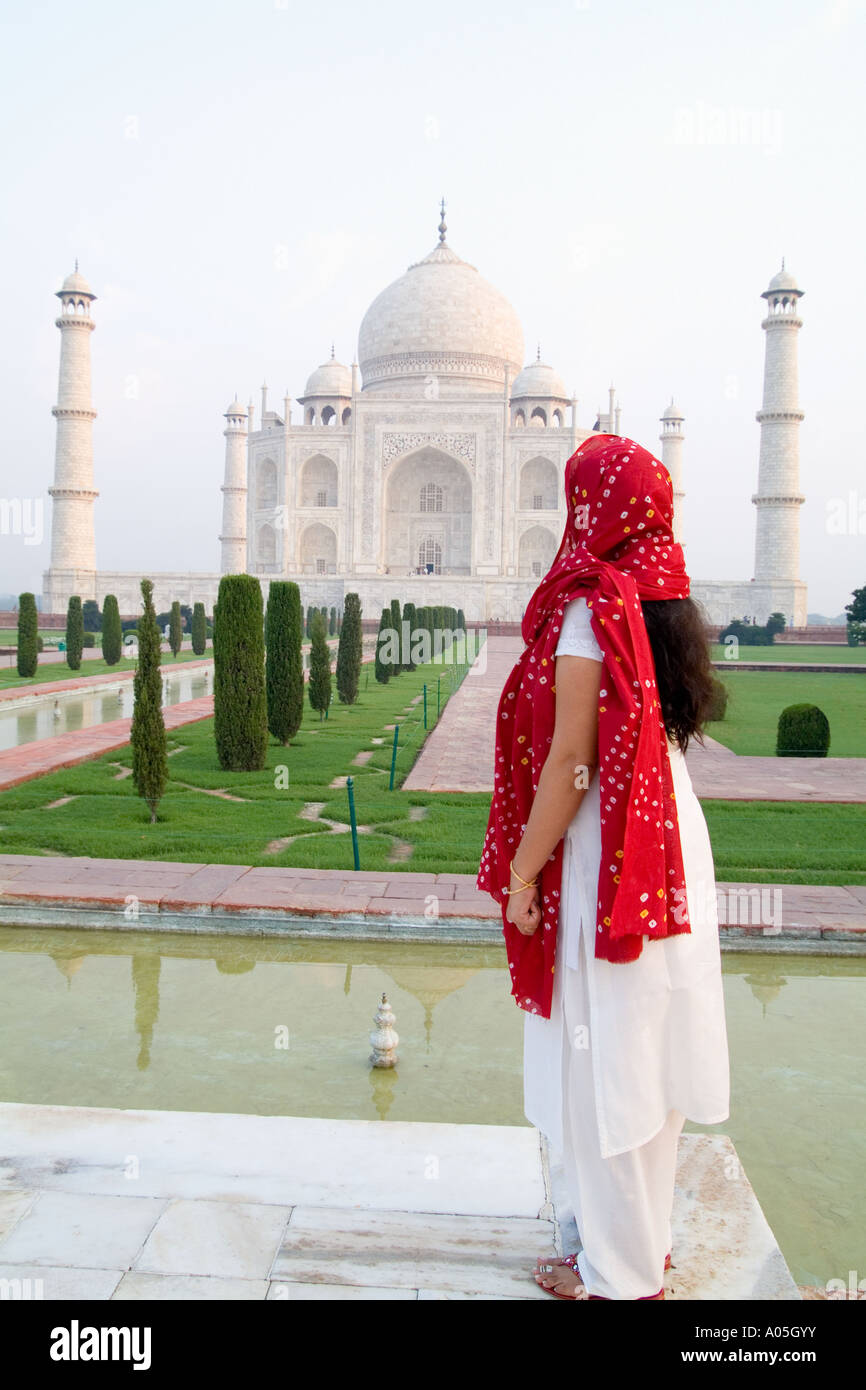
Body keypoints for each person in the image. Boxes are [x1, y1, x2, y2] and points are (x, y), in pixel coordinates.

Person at [476, 434, 730, 1301]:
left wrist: (520, 874)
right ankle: (632, 1245)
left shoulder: (590, 606)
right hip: (665, 841)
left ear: (589, 508)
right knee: (644, 1049)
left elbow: (568, 763)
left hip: (606, 850)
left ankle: (617, 1276)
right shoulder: (666, 600)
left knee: (608, 1056)